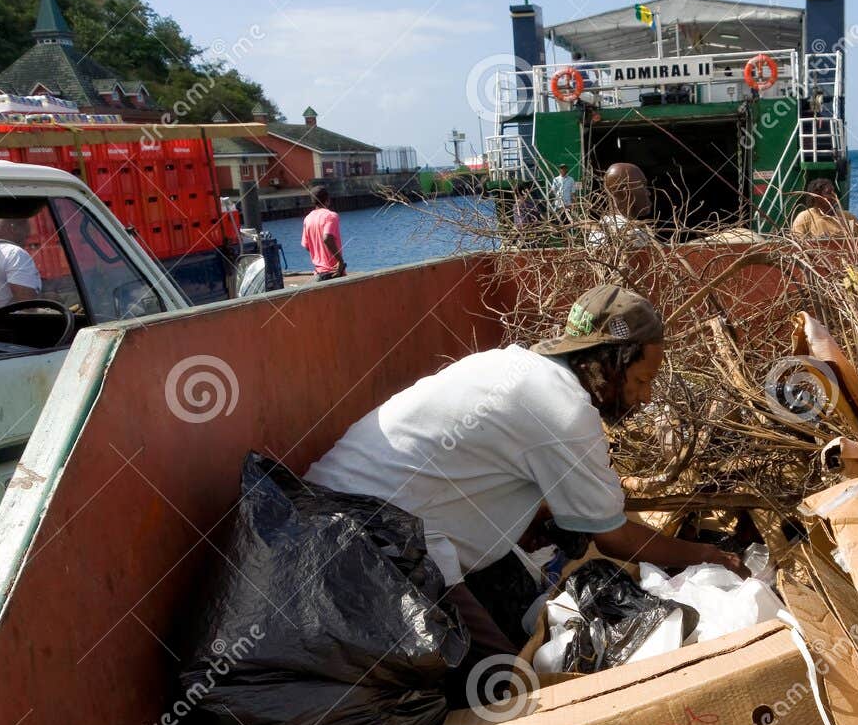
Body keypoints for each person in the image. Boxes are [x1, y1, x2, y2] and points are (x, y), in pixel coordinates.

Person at [305, 284, 742, 671]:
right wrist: (706, 554)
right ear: (612, 362)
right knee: (504, 681)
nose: (645, 398)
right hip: (364, 541)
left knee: (511, 626)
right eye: (642, 380)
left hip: (322, 514)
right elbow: (614, 538)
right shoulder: (565, 410)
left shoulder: (518, 369)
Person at [587, 161, 654, 247]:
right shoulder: (634, 234)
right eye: (643, 186)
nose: (648, 193)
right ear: (625, 193)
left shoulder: (598, 232)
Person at [790, 178, 858, 239]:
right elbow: (798, 243)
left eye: (834, 192)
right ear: (817, 197)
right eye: (829, 193)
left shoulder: (847, 217)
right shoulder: (805, 218)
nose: (834, 195)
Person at [301, 186, 345, 280]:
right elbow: (327, 238)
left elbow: (306, 245)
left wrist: (319, 254)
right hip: (334, 272)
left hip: (318, 273)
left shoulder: (307, 219)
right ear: (328, 200)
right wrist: (340, 261)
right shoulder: (331, 216)